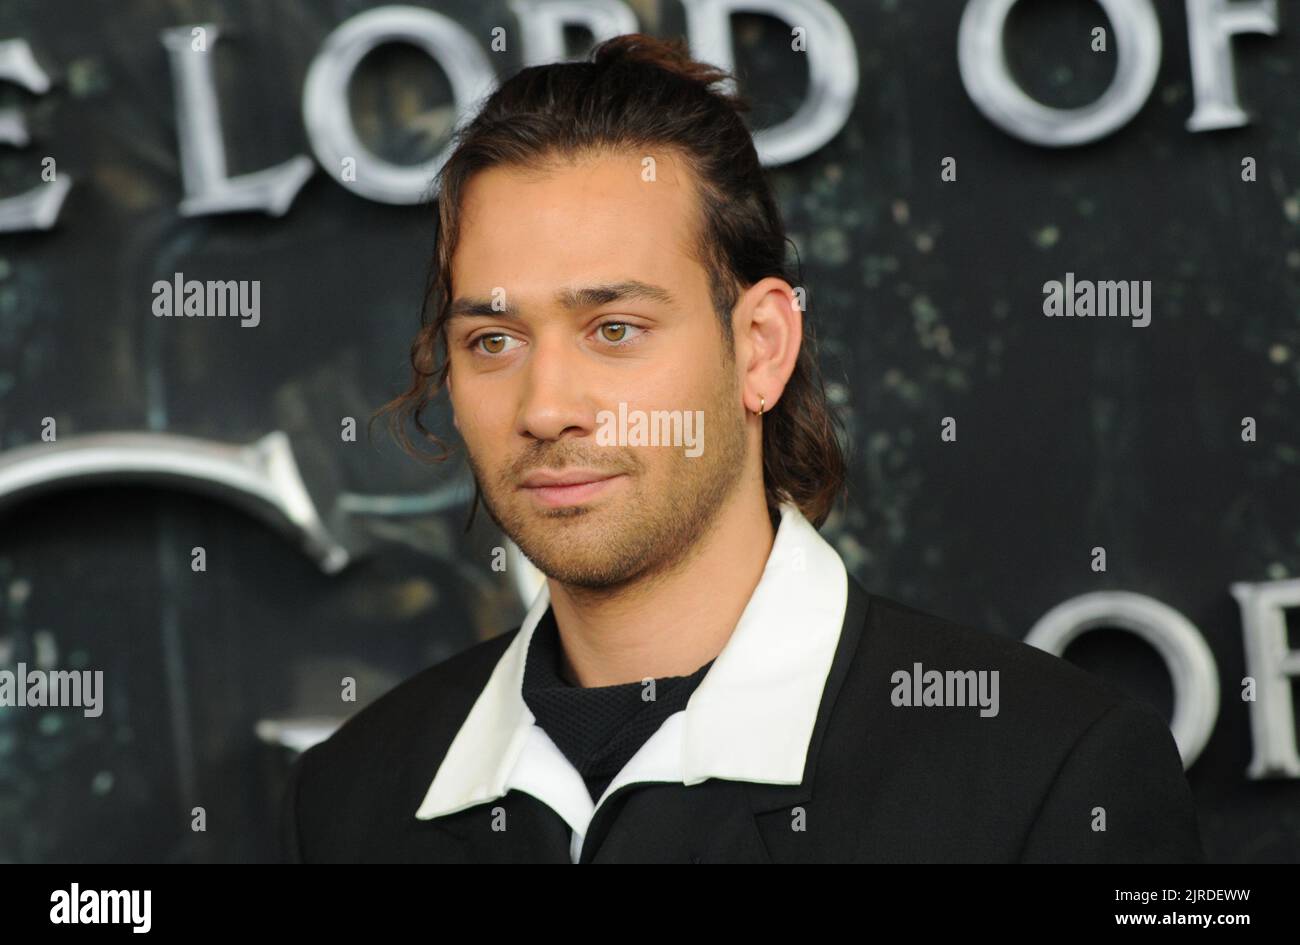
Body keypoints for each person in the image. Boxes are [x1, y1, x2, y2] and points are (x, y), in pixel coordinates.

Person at [279, 33, 1203, 863]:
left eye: (615, 328)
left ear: (759, 346)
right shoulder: (350, 801)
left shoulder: (1052, 775)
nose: (546, 407)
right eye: (493, 341)